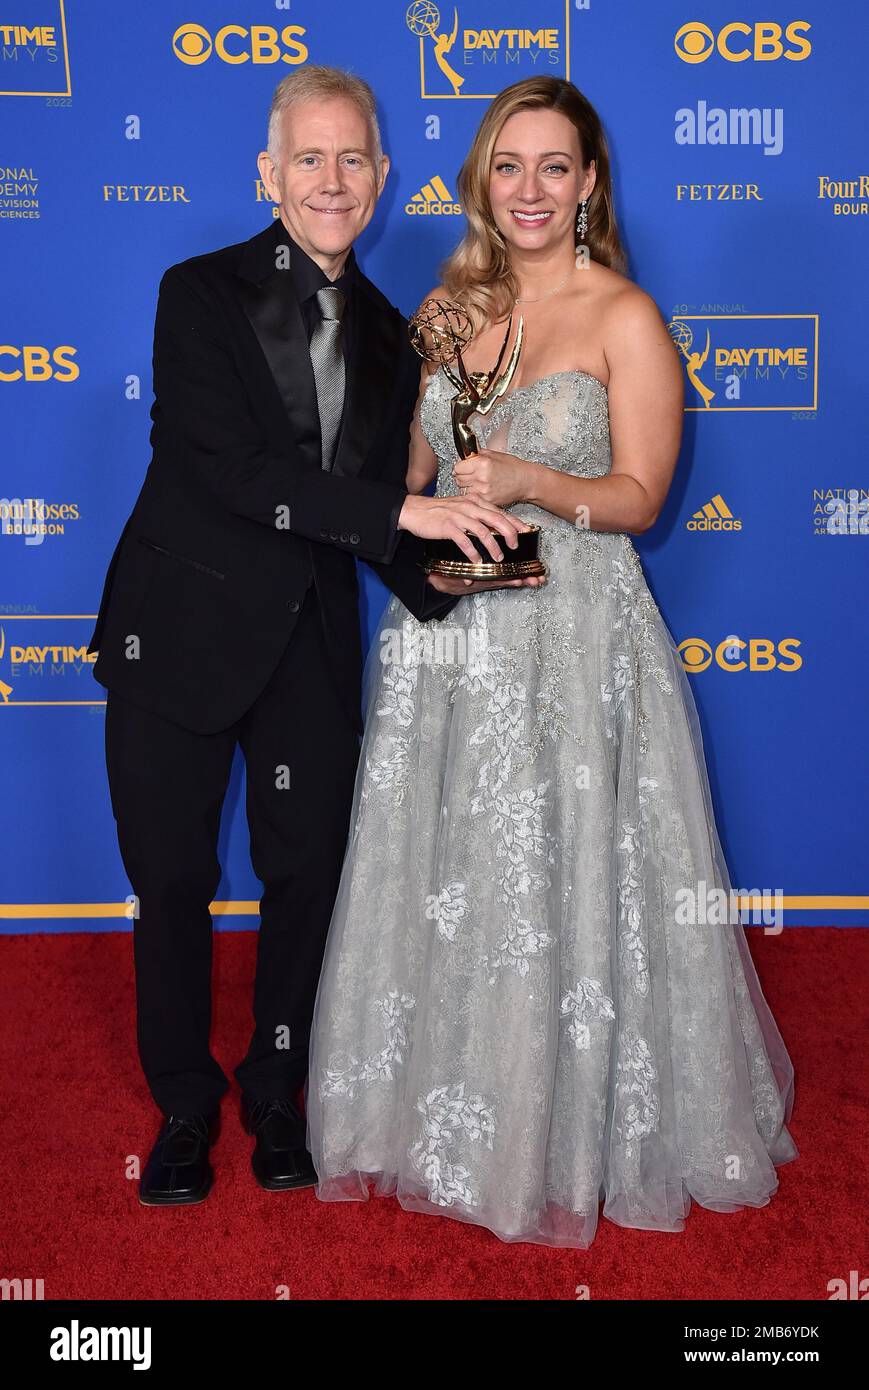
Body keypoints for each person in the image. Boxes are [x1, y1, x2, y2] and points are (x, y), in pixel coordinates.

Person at [308, 76, 798, 1248]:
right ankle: (443, 1114)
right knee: (457, 870)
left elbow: (639, 495)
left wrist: (531, 482)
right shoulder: (441, 309)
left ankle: (570, 1128)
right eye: (509, 166)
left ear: (588, 185)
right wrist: (398, 479)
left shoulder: (623, 315)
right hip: (451, 640)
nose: (529, 190)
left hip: (576, 637)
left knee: (572, 876)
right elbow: (408, 474)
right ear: (482, 180)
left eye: (554, 167)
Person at [88, 65, 537, 1207]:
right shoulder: (196, 293)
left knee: (306, 880)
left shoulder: (397, 340)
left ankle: (276, 1094)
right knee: (174, 880)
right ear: (267, 173)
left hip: (309, 647)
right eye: (308, 158)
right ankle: (185, 1104)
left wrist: (501, 576)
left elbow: (387, 521)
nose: (331, 181)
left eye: (352, 160)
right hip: (175, 641)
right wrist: (404, 511)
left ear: (383, 179)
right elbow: (233, 470)